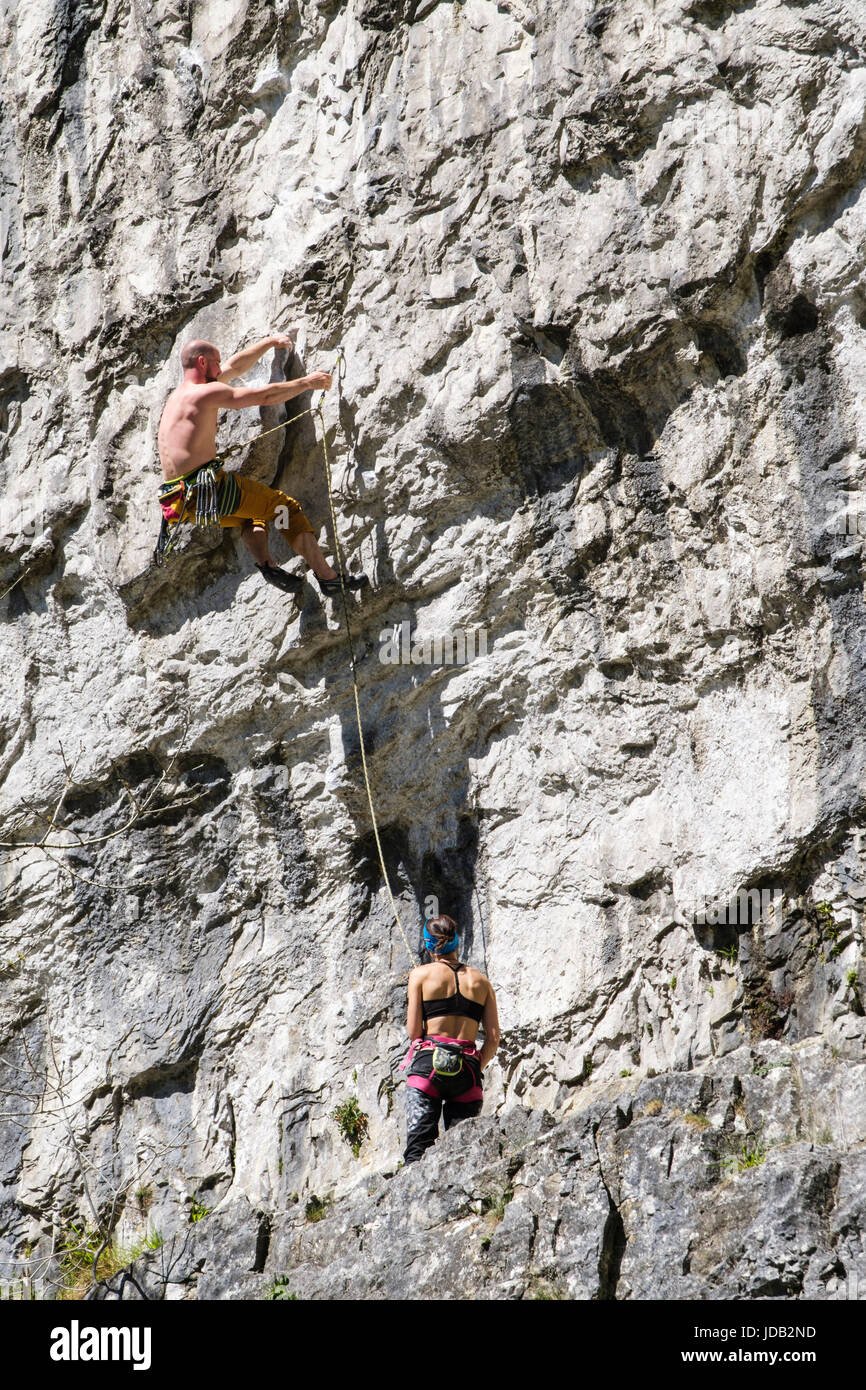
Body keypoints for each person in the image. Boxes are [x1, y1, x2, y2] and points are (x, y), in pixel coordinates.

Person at [155, 335, 369, 597]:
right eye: (216, 363)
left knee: (253, 515)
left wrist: (269, 343)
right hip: (211, 492)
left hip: (184, 504)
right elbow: (265, 396)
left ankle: (267, 565)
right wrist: (306, 383)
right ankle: (329, 579)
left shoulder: (180, 396)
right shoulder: (204, 393)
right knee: (286, 509)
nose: (222, 369)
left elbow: (234, 367)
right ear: (202, 362)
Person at [402, 914, 500, 1164]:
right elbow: (493, 1037)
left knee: (417, 1150)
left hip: (427, 1069)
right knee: (464, 1155)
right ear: (456, 941)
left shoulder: (420, 975)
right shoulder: (482, 982)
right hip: (467, 1072)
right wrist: (477, 1067)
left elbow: (414, 1032)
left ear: (428, 945)